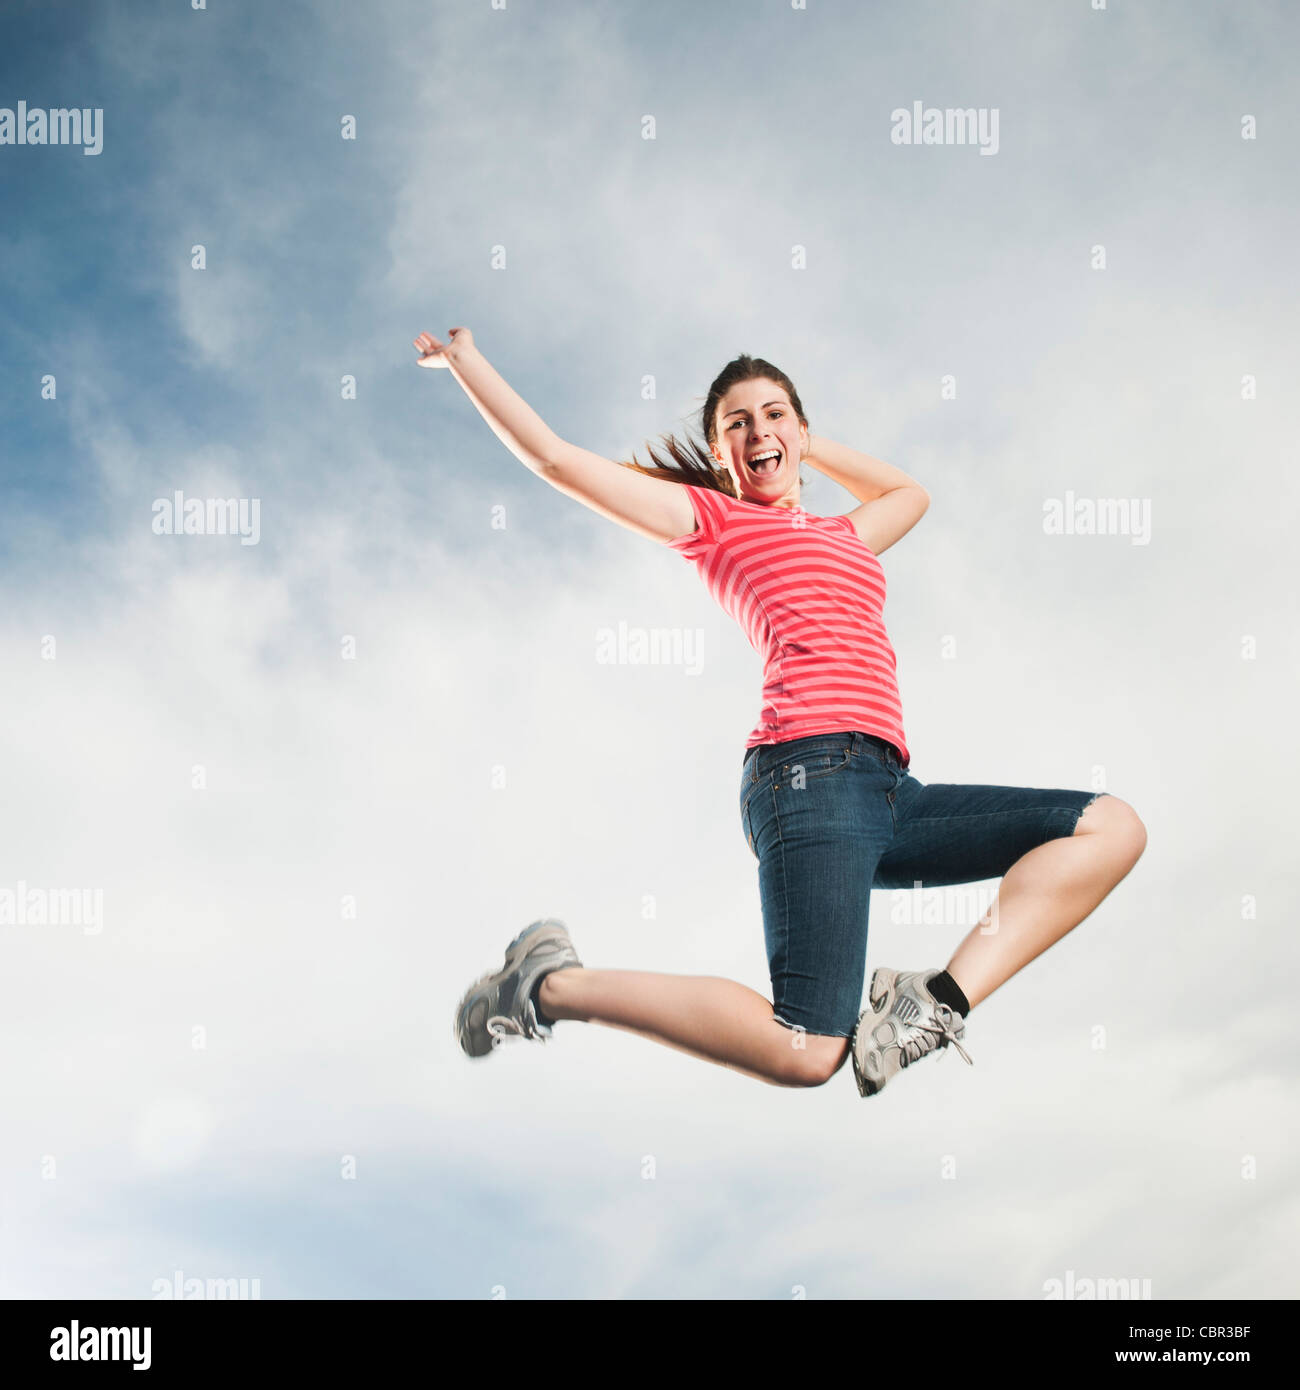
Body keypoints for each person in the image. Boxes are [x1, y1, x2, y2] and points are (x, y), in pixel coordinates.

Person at [415, 327, 1147, 1097]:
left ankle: (934, 1005)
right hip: (807, 776)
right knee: (806, 1050)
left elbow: (911, 495)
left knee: (1111, 827)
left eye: (775, 416)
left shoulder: (847, 537)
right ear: (719, 450)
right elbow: (557, 460)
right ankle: (545, 986)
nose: (758, 431)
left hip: (894, 792)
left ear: (799, 429)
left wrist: (804, 437)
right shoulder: (715, 523)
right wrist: (467, 363)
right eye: (737, 423)